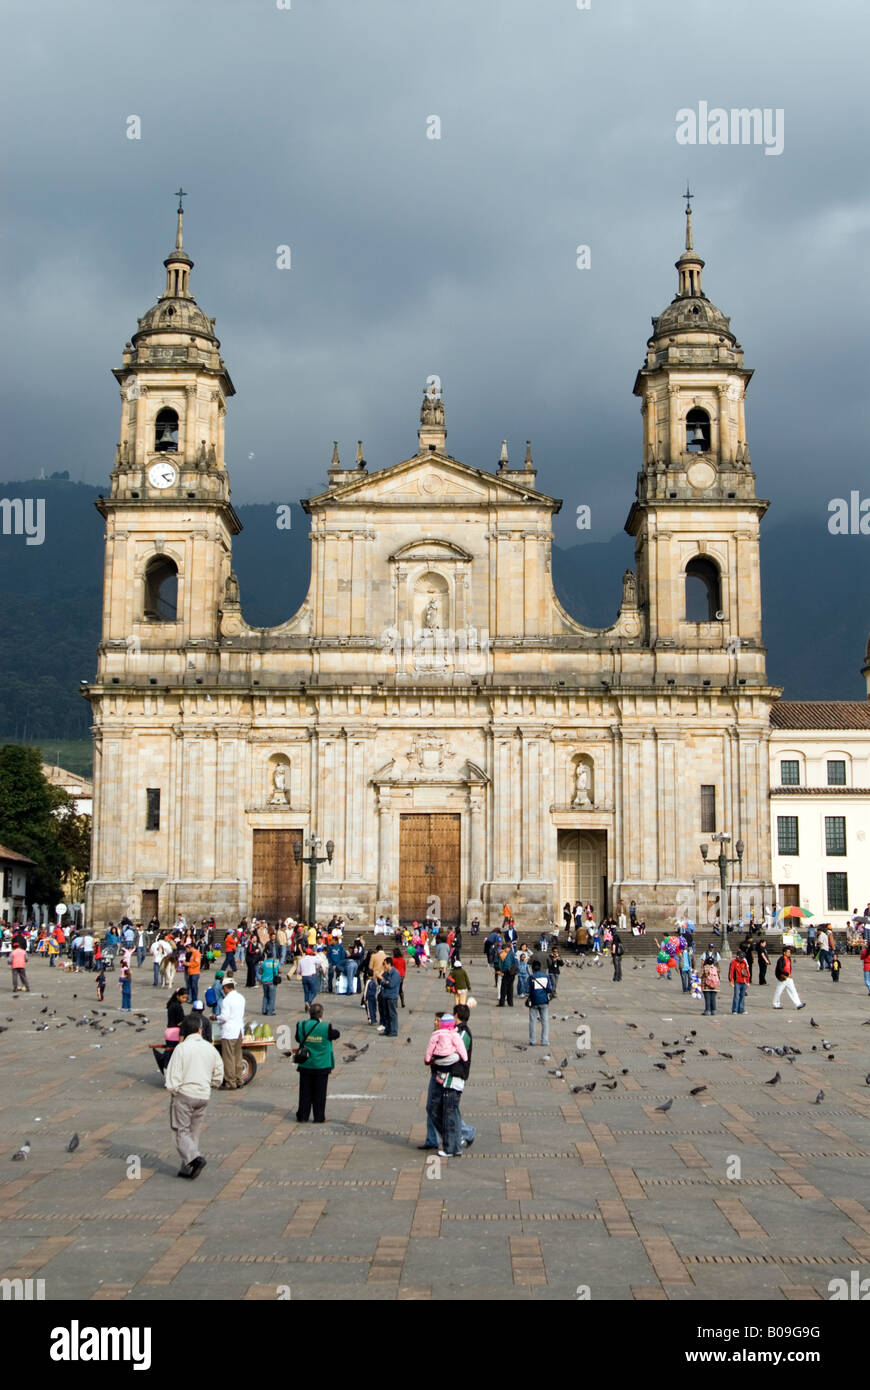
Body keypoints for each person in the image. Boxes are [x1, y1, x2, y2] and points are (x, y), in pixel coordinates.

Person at [165, 1013, 224, 1178]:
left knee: (180, 1132)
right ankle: (186, 1168)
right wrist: (212, 1083)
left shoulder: (181, 1048)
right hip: (203, 1095)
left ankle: (194, 1159)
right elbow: (219, 1072)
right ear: (199, 1030)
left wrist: (173, 1090)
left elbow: (173, 1075)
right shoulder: (210, 1048)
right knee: (193, 1133)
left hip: (185, 1095)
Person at [423, 1013, 470, 1158]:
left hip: (451, 1080)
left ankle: (454, 1143)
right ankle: (453, 1142)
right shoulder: (453, 1034)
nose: (435, 1023)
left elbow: (456, 1055)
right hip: (445, 1078)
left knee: (448, 1112)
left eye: (438, 1021)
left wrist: (431, 1060)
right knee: (445, 1111)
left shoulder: (460, 1034)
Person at [294, 1001, 340, 1122]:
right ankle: (319, 1117)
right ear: (321, 1014)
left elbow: (298, 1038)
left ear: (310, 1013)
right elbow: (336, 1034)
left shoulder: (302, 1025)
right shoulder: (326, 1026)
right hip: (322, 1064)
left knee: (305, 1092)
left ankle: (302, 1116)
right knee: (320, 1093)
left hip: (306, 1063)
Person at [216, 976, 246, 1089]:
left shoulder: (226, 1000)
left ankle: (230, 1082)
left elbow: (224, 1017)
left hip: (229, 1032)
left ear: (226, 988)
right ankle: (239, 1079)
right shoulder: (241, 997)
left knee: (228, 1057)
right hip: (239, 1030)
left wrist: (216, 1017)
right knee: (238, 1056)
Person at [526, 958, 553, 1046]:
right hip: (544, 1001)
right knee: (545, 1021)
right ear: (540, 967)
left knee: (532, 1021)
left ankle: (533, 1041)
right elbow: (549, 989)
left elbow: (527, 990)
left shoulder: (531, 977)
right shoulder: (546, 976)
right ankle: (544, 1040)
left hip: (534, 1001)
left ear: (533, 968)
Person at [378, 959, 402, 1036]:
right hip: (385, 995)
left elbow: (391, 984)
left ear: (389, 964)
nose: (384, 966)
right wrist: (385, 981)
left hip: (392, 996)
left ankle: (394, 1031)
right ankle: (387, 1030)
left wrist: (383, 980)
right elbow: (382, 982)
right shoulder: (386, 973)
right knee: (386, 1014)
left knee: (392, 1014)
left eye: (384, 964)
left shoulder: (395, 973)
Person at [258, 944, 281, 1016]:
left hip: (264, 981)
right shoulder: (276, 963)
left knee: (265, 996)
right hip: (272, 981)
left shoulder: (263, 963)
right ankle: (270, 1011)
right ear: (273, 956)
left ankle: (264, 1010)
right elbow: (279, 970)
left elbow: (260, 972)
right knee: (272, 997)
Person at [496, 942, 517, 1007]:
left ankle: (508, 1002)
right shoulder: (502, 954)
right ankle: (506, 1002)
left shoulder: (510, 954)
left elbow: (515, 963)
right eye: (507, 948)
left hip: (510, 972)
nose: (508, 949)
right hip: (506, 972)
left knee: (508, 988)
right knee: (505, 988)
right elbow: (497, 963)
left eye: (508, 948)